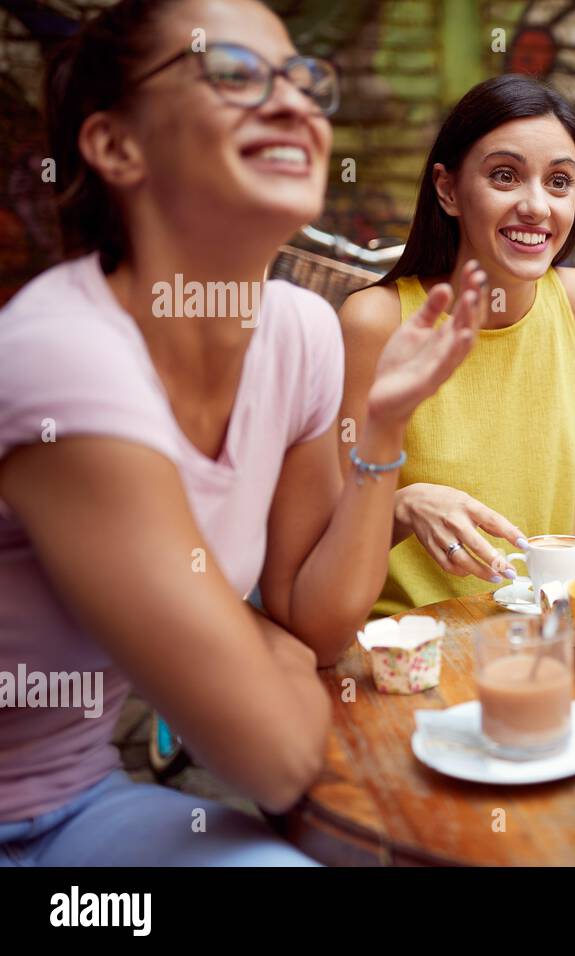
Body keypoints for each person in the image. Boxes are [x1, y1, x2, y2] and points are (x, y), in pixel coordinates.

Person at [0, 0, 482, 865]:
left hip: (75, 799)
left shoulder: (299, 332)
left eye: (305, 80)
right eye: (232, 73)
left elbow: (317, 626)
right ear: (117, 147)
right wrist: (261, 654)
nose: (295, 103)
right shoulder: (61, 354)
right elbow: (269, 754)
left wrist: (381, 429)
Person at [340, 74, 575, 618]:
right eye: (505, 176)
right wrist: (400, 506)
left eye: (560, 182)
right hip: (404, 640)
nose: (537, 206)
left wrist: (568, 599)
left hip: (541, 631)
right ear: (447, 190)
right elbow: (327, 529)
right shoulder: (374, 322)